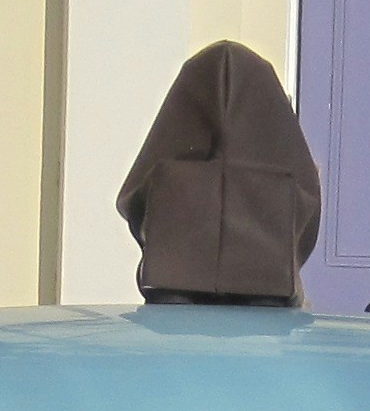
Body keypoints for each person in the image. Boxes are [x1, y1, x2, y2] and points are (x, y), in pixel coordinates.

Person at [115, 41, 324, 305]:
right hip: (269, 299)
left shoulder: (163, 162)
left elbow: (134, 199)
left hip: (173, 296)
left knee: (174, 301)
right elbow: (307, 208)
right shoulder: (289, 168)